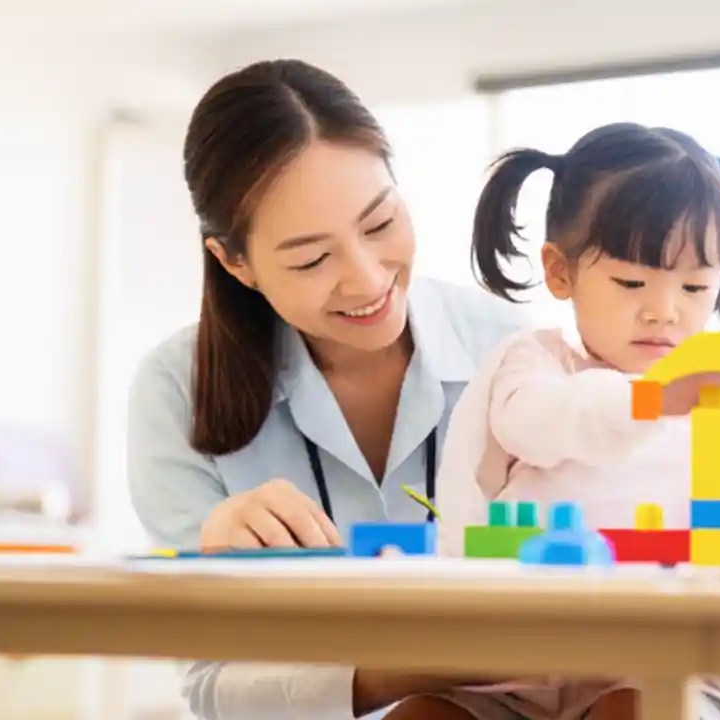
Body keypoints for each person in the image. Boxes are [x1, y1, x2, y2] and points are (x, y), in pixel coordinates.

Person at [126, 58, 531, 720]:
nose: (368, 280)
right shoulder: (176, 392)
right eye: (312, 259)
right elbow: (213, 684)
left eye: (379, 224)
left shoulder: (516, 355)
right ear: (236, 263)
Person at [411, 123, 720, 720]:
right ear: (561, 272)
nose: (664, 310)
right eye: (632, 282)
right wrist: (646, 401)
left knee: (633, 709)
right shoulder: (534, 364)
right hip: (521, 674)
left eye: (695, 286)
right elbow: (539, 422)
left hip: (684, 668)